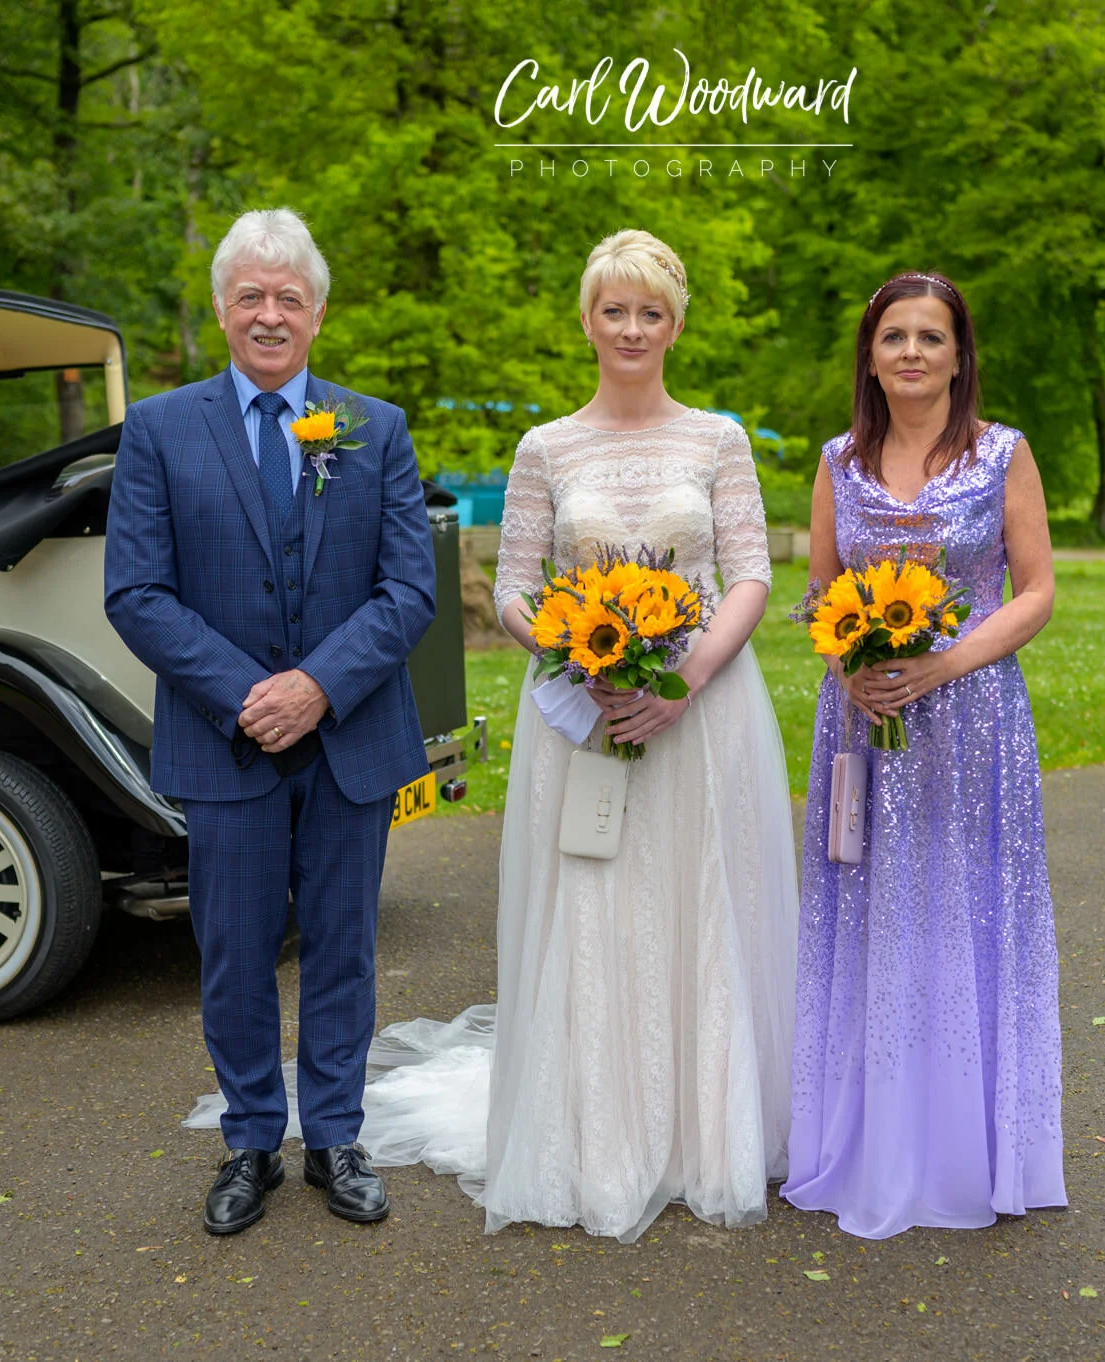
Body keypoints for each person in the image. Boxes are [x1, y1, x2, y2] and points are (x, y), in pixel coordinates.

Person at [356, 230, 799, 1242]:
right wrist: (569, 649)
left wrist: (684, 677)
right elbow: (509, 588)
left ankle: (703, 1133)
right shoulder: (545, 447)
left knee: (697, 900)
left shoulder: (717, 440)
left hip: (703, 715)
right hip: (582, 716)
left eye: (650, 311)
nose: (631, 329)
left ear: (675, 324)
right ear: (587, 322)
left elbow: (749, 576)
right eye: (613, 310)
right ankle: (594, 1133)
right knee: (596, 904)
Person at [105, 208, 436, 1235]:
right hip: (223, 740)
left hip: (349, 741)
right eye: (250, 294)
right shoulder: (160, 431)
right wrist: (251, 693)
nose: (268, 313)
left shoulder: (371, 427)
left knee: (341, 948)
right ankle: (251, 1138)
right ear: (219, 309)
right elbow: (137, 592)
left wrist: (318, 687)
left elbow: (406, 589)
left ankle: (335, 1135)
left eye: (288, 297)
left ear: (318, 314)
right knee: (236, 953)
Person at [783, 272, 1065, 1238]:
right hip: (864, 725)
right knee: (867, 906)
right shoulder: (837, 463)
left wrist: (941, 665)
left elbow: (1034, 592)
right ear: (870, 354)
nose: (910, 351)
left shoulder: (1002, 456)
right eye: (893, 336)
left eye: (930, 337)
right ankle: (868, 1141)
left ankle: (967, 1150)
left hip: (974, 720)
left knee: (965, 902)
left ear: (959, 354)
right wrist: (849, 663)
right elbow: (820, 594)